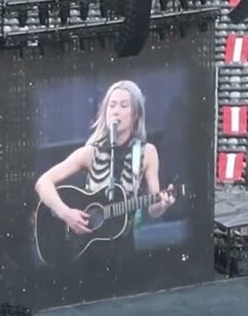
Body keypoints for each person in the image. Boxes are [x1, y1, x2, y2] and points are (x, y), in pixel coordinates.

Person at [35, 81, 175, 240]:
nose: (116, 111)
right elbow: (43, 182)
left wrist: (162, 205)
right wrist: (66, 213)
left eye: (124, 105)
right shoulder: (91, 152)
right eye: (112, 105)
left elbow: (153, 209)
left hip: (124, 244)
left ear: (136, 114)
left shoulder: (147, 152)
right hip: (87, 244)